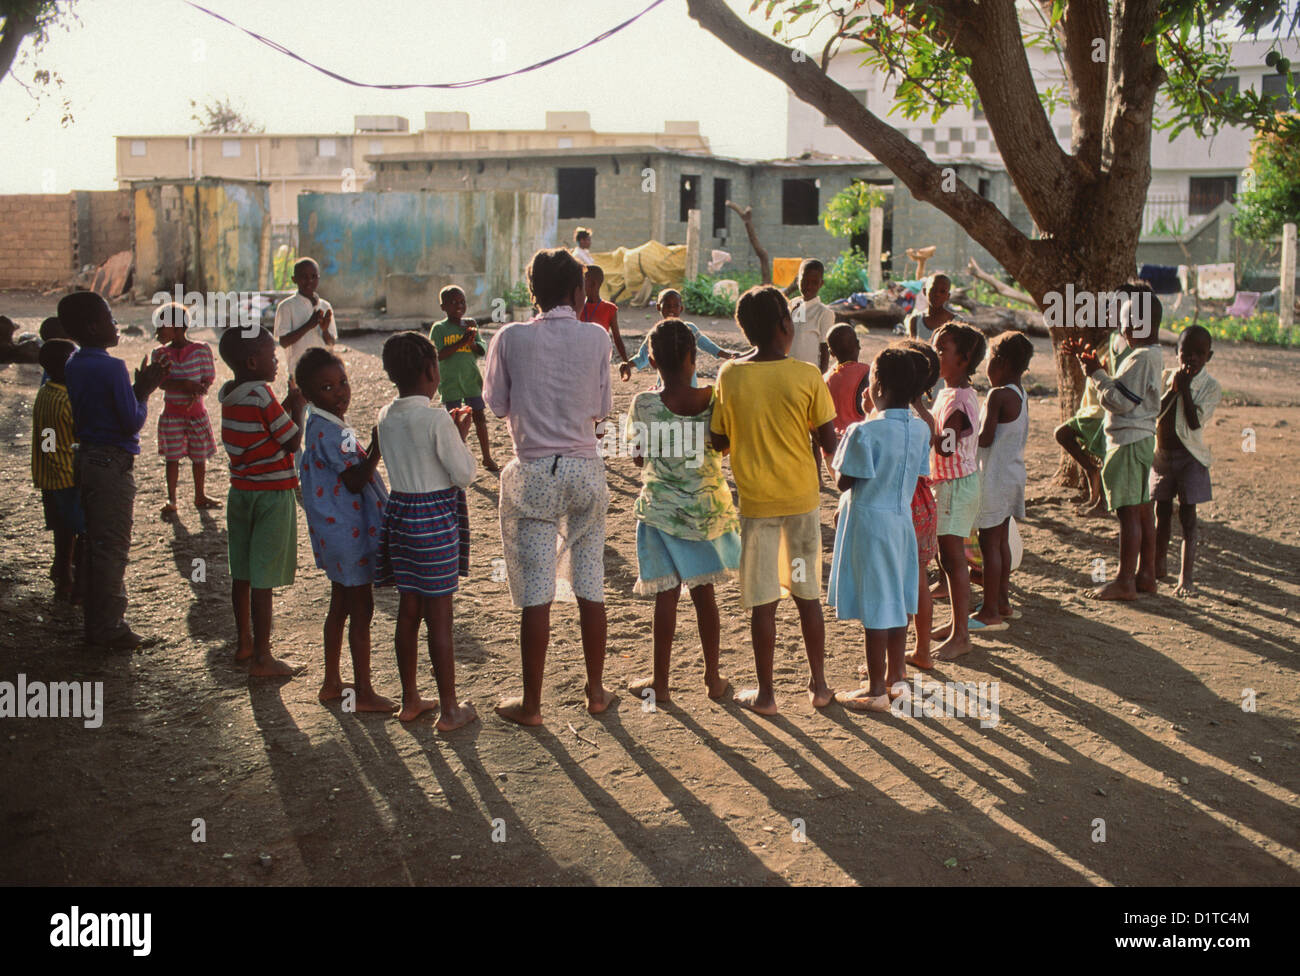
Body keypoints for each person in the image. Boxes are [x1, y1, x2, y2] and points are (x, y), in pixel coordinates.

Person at [483, 247, 616, 725]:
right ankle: (596, 691)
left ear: (532, 292)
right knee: (590, 586)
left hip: (534, 473)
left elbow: (496, 405)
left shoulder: (510, 337)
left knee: (537, 594)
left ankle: (533, 704)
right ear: (579, 292)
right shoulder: (597, 337)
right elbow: (601, 408)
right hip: (585, 471)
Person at [710, 284, 837, 715]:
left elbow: (718, 439)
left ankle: (766, 694)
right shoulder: (807, 376)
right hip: (801, 503)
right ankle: (819, 685)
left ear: (746, 332)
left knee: (763, 601)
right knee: (807, 595)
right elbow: (828, 440)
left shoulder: (729, 375)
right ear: (786, 326)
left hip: (757, 506)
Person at [626, 319, 741, 706]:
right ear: (694, 359)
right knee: (704, 596)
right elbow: (724, 445)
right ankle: (712, 677)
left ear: (653, 360)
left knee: (666, 598)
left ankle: (661, 683)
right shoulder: (714, 401)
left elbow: (638, 456)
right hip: (705, 513)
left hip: (660, 512)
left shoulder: (643, 404)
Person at [374, 332, 479, 729]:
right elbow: (464, 474)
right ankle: (451, 710)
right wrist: (459, 436)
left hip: (399, 514)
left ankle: (410, 699)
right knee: (440, 616)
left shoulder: (385, 414)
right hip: (434, 519)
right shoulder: (437, 418)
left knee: (409, 610)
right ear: (433, 371)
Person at [59, 292, 168, 649]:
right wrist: (145, 391)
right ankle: (108, 628)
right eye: (110, 317)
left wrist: (135, 389)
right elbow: (130, 422)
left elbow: (105, 412)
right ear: (93, 326)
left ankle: (97, 620)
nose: (116, 323)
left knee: (95, 543)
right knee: (112, 547)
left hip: (87, 459)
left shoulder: (74, 363)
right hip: (112, 464)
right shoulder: (112, 367)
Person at [295, 347, 398, 713]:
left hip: (338, 534)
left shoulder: (321, 421)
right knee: (361, 608)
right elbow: (355, 481)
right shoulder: (328, 430)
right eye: (327, 387)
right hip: (347, 536)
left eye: (343, 382)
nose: (339, 392)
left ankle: (332, 682)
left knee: (339, 605)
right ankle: (364, 692)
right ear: (308, 394)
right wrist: (376, 450)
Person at [828, 347, 931, 711]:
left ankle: (874, 688)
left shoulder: (863, 430)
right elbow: (917, 470)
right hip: (900, 520)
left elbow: (844, 481)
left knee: (875, 606)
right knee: (897, 601)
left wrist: (833, 452)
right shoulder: (920, 429)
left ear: (878, 387)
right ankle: (896, 676)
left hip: (870, 521)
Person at [217, 325, 306, 676]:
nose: (276, 363)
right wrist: (297, 405)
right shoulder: (264, 394)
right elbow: (290, 441)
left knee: (241, 572)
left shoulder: (233, 394)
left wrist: (284, 407)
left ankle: (245, 643)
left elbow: (263, 429)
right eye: (271, 357)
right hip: (271, 494)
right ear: (253, 362)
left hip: (241, 493)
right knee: (263, 577)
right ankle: (264, 658)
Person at [1067, 287, 1164, 600]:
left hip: (1127, 443)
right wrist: (1102, 371)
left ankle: (1125, 580)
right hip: (1140, 442)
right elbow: (1126, 392)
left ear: (1133, 327)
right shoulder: (1151, 356)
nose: (1121, 331)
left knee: (1128, 513)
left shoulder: (1138, 359)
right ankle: (1145, 575)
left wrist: (1095, 375)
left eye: (1123, 324)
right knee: (1142, 510)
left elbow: (1119, 401)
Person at [927, 321, 987, 660]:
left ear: (963, 360)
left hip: (955, 485)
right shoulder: (949, 392)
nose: (936, 357)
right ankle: (955, 625)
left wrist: (921, 413)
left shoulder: (961, 399)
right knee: (947, 558)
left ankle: (961, 634)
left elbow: (946, 446)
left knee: (954, 559)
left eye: (941, 351)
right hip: (949, 484)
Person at [971, 332, 1034, 631]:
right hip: (1012, 476)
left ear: (1001, 362)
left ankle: (990, 612)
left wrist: (960, 432)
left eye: (989, 360)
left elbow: (984, 438)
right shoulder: (1020, 393)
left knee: (989, 544)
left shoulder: (998, 395)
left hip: (994, 478)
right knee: (1001, 543)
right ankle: (1003, 602)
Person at [1152, 325, 1220, 597]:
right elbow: (1153, 412)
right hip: (1163, 457)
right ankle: (1158, 568)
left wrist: (1186, 390)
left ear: (1208, 356)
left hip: (1190, 458)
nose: (1191, 358)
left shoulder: (1211, 387)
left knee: (1188, 518)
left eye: (1199, 353)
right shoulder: (1166, 376)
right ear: (1176, 352)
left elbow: (1193, 422)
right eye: (1185, 352)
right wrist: (1172, 389)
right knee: (1162, 512)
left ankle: (1186, 577)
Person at [894, 338, 941, 670]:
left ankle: (890, 657)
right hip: (924, 503)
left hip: (898, 504)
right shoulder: (926, 419)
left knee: (895, 584)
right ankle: (922, 649)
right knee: (920, 577)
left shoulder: (895, 419)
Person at [150, 302, 220, 519]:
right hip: (172, 414)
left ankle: (200, 494)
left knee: (199, 457)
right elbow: (160, 382)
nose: (157, 332)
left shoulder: (201, 350)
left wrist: (201, 388)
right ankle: (172, 498)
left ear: (178, 327)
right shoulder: (160, 354)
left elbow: (208, 377)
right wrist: (186, 386)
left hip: (196, 413)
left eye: (162, 327)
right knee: (172, 458)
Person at [1054, 323, 1132, 518]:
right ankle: (1091, 473)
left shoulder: (1126, 345)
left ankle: (1101, 502)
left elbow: (1119, 382)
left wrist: (1101, 372)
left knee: (1106, 457)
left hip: (1104, 411)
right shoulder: (1109, 341)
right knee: (1063, 434)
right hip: (1090, 410)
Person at [32, 338, 85, 603]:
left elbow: (49, 437)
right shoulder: (68, 400)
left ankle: (62, 573)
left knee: (62, 529)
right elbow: (81, 432)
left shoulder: (45, 392)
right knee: (83, 530)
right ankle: (78, 587)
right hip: (67, 476)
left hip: (47, 475)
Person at [428, 284, 499, 472]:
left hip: (471, 381)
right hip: (450, 383)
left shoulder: (470, 325)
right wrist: (461, 341)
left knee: (479, 417)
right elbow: (438, 355)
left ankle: (487, 457)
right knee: (455, 423)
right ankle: (457, 460)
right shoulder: (439, 328)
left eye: (462, 302)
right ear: (443, 307)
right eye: (453, 303)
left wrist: (471, 340)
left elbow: (481, 350)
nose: (458, 306)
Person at [620, 289, 736, 388]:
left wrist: (730, 356)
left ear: (681, 308)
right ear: (658, 307)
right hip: (665, 386)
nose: (671, 309)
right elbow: (642, 357)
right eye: (667, 305)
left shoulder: (689, 328)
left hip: (689, 386)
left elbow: (709, 346)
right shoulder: (656, 333)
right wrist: (627, 365)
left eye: (676, 306)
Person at [274, 257, 336, 382]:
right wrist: (309, 325)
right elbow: (284, 342)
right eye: (304, 277)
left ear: (318, 278)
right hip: (298, 373)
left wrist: (324, 331)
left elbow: (331, 343)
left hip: (322, 371)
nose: (309, 281)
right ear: (294, 279)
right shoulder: (286, 306)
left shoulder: (325, 306)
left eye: (314, 277)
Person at [579, 264, 631, 365]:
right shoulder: (577, 307)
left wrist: (626, 362)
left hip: (600, 358)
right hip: (580, 358)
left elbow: (617, 338)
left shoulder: (610, 309)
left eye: (582, 282)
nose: (579, 285)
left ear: (594, 284)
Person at [788, 259, 834, 373]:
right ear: (798, 280)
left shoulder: (824, 313)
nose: (809, 286)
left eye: (814, 282)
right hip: (788, 370)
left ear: (821, 284)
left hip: (809, 374)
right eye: (805, 281)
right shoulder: (793, 304)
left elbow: (825, 350)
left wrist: (821, 378)